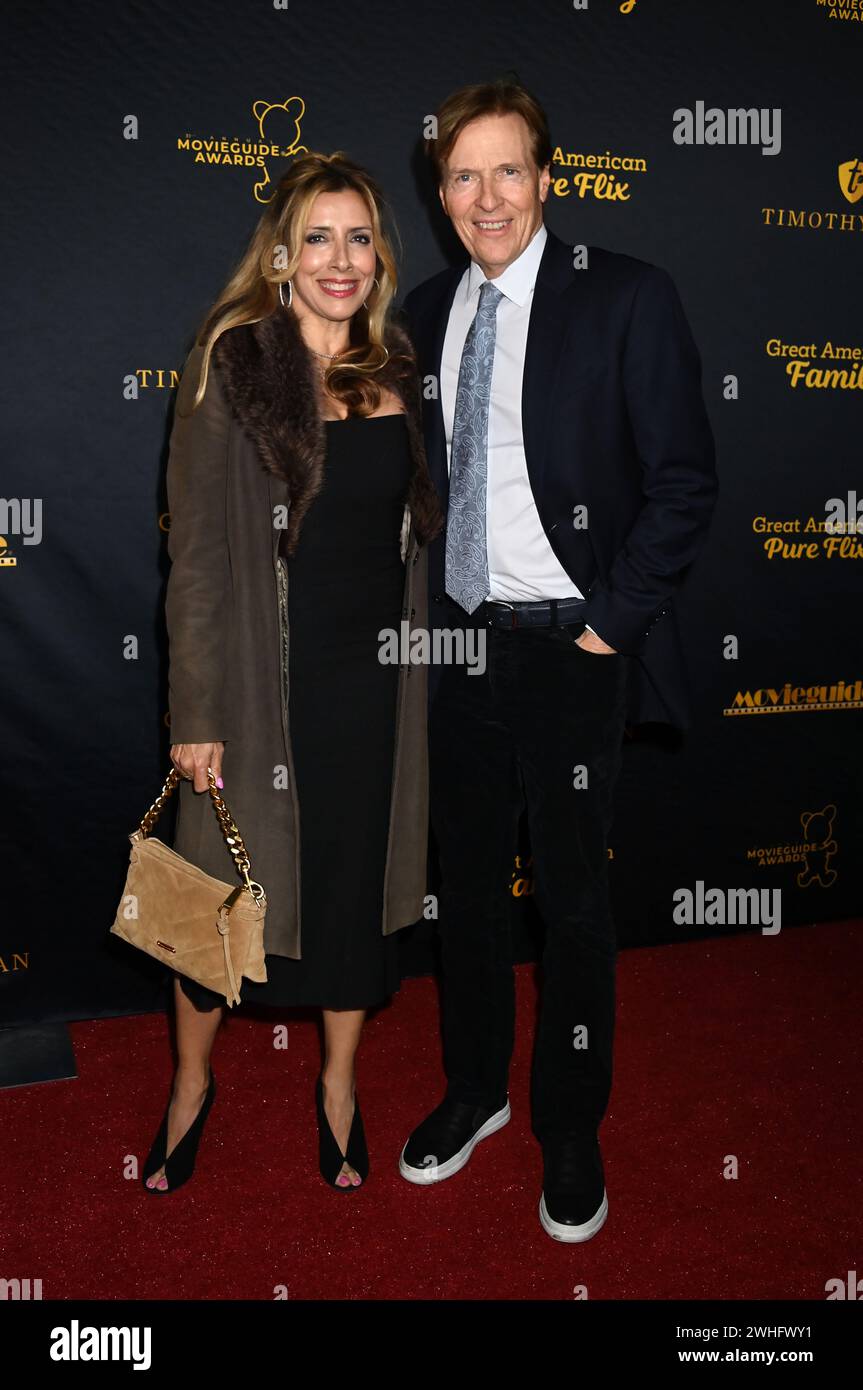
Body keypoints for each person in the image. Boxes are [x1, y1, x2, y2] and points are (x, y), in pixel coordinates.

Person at [397, 79, 717, 1241]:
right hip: (458, 647)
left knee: (573, 903)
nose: (486, 195)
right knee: (467, 896)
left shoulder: (625, 298)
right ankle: (475, 1088)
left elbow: (683, 482)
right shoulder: (424, 311)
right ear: (440, 193)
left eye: (507, 169)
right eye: (461, 175)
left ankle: (568, 1125)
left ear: (547, 175)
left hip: (572, 650)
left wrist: (603, 623)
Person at [142, 152, 442, 1196]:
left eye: (358, 236)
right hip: (259, 693)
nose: (339, 258)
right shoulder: (233, 365)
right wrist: (196, 710)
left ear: (380, 257)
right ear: (278, 253)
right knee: (210, 910)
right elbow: (200, 562)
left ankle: (340, 1088)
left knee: (351, 898)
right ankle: (188, 1088)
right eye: (316, 235)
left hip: (375, 691)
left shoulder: (401, 370)